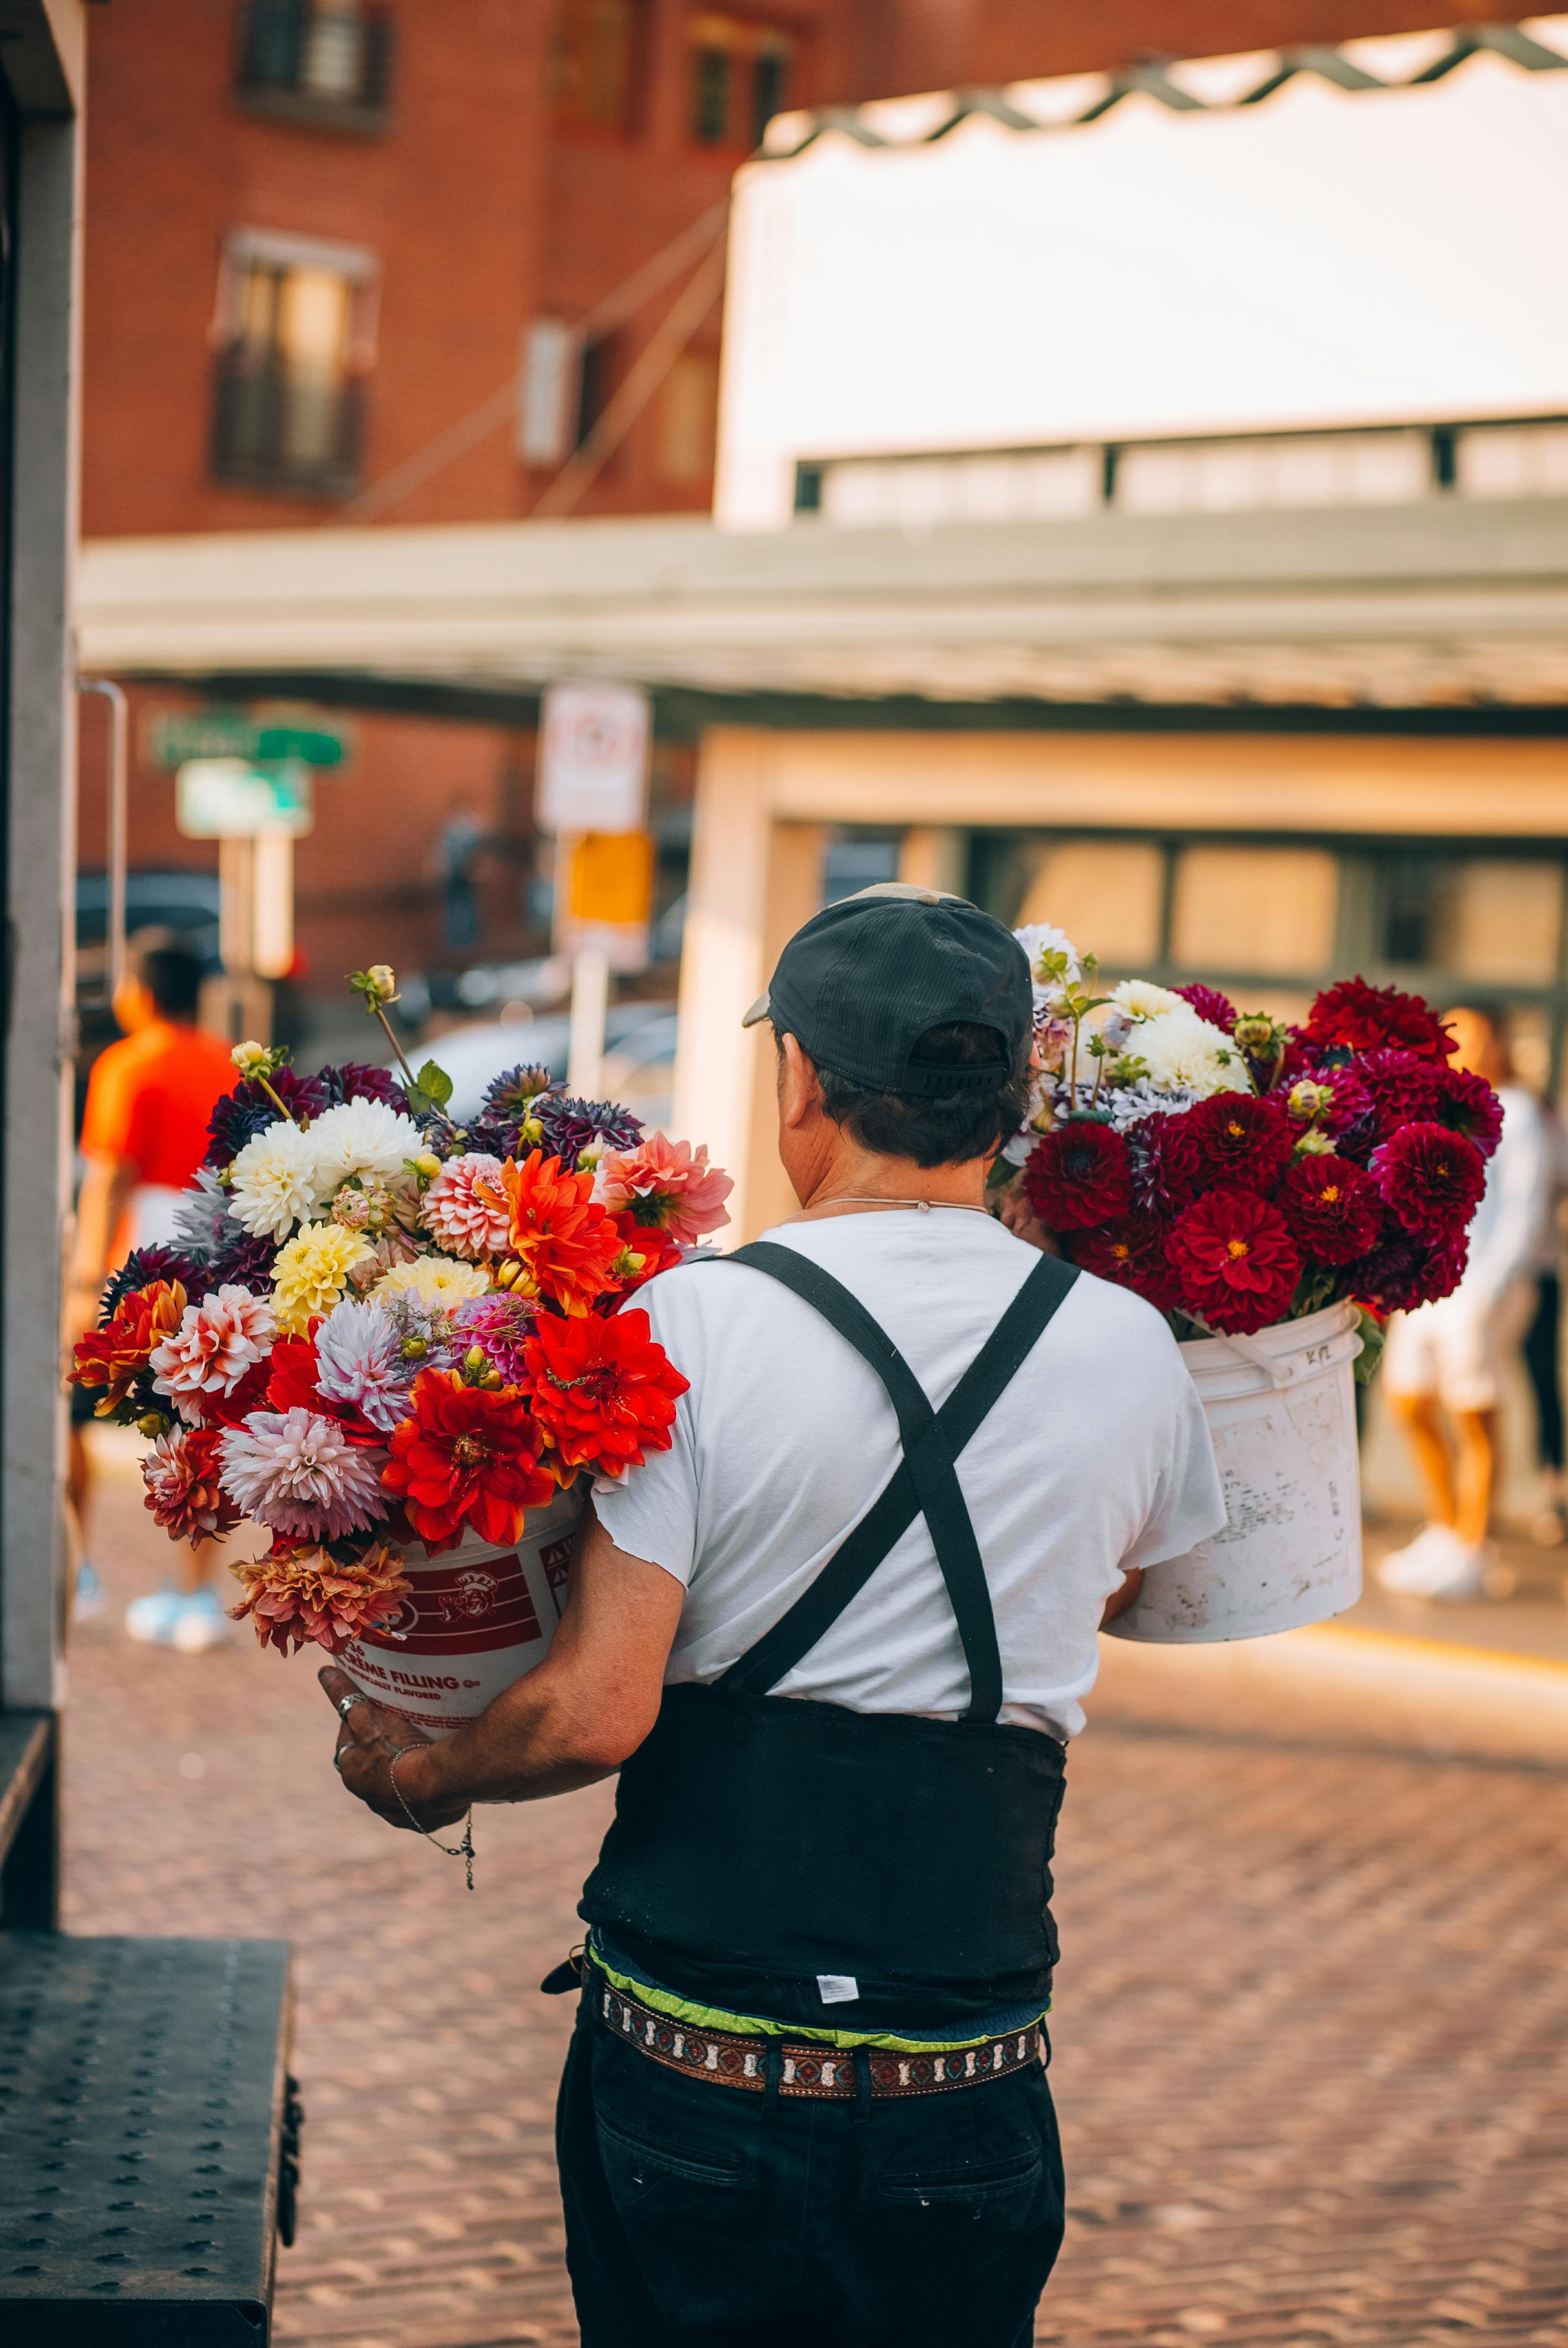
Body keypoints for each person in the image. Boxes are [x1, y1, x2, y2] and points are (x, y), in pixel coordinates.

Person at [322, 883, 1225, 2348]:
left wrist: (420, 1774)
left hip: (701, 2071)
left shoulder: (693, 1320)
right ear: (1015, 1085)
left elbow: (598, 1709)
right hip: (968, 2086)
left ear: (804, 1078)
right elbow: (1129, 1588)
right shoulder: (1127, 1346)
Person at [67, 927, 238, 1652]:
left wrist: (82, 1277)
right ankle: (193, 1591)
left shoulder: (126, 1064)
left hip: (131, 1265)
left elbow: (110, 1176)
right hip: (212, 1258)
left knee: (65, 1413)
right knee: (200, 1424)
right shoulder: (230, 1065)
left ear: (138, 992)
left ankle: (77, 1571)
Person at [1378, 1006, 1552, 1603]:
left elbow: (1526, 1203)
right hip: (1430, 1281)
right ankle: (1445, 1527)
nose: (1463, 1045)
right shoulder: (1443, 1103)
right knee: (1409, 1399)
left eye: (1474, 1033)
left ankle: (1475, 1544)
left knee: (1474, 1409)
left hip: (1479, 1287)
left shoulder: (1518, 1109)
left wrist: (1493, 1286)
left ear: (1499, 1040)